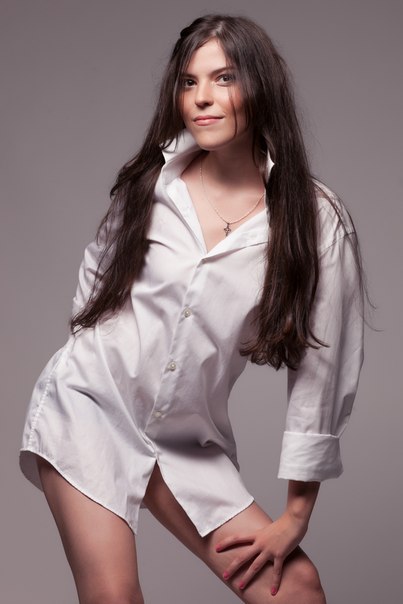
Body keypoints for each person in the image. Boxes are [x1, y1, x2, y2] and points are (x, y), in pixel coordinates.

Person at [19, 14, 364, 604]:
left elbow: (322, 368)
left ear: (260, 85)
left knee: (297, 591)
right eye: (188, 81)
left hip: (185, 438)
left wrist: (295, 515)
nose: (201, 97)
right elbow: (94, 286)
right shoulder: (151, 185)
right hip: (89, 409)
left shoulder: (314, 218)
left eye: (224, 78)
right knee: (114, 597)